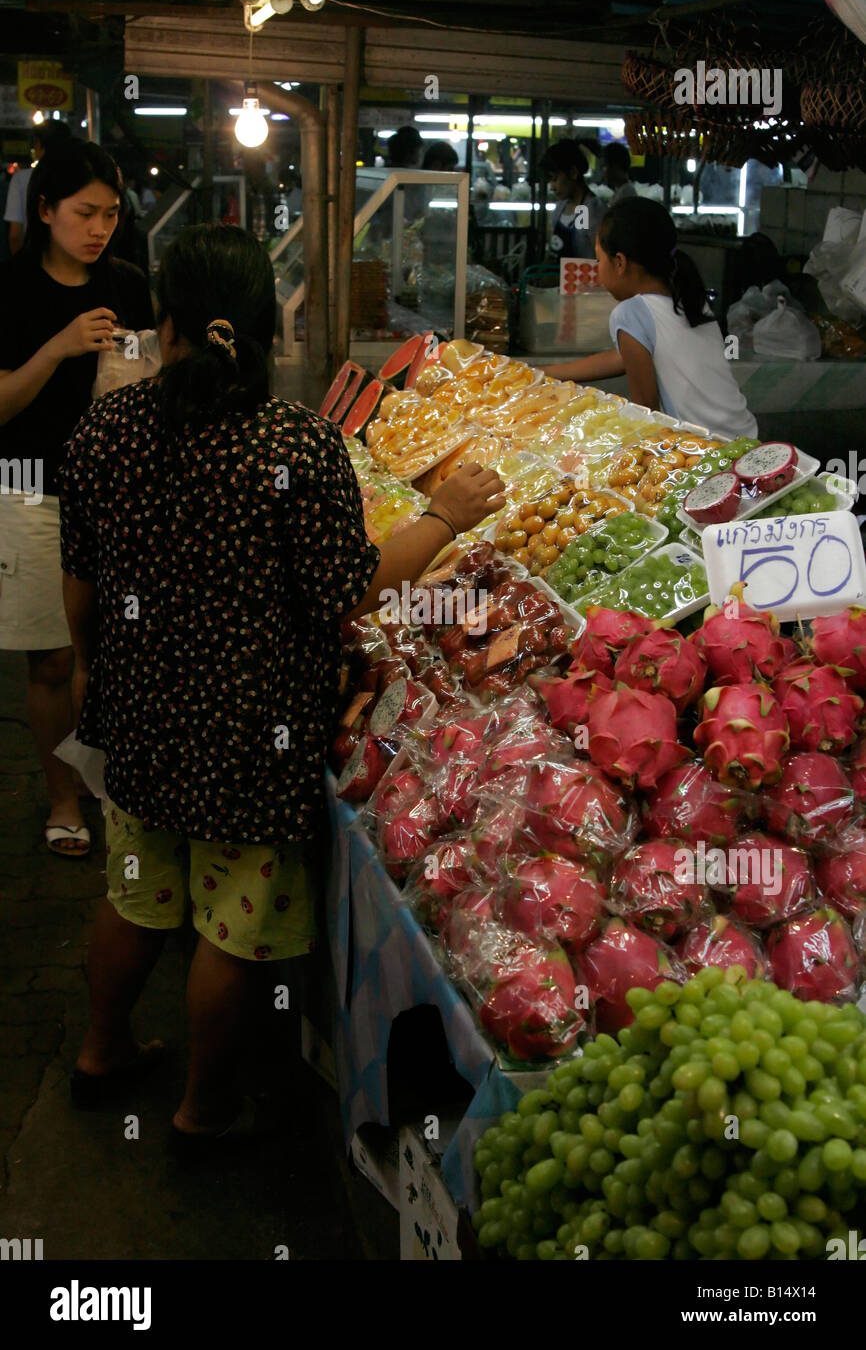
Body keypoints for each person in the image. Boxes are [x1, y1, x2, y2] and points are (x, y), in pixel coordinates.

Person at [57, 223, 505, 1137]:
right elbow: (355, 585)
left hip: (138, 711)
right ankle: (203, 1106)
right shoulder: (294, 444)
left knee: (135, 895)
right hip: (251, 733)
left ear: (166, 325)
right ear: (270, 333)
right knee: (232, 924)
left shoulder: (107, 427)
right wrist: (446, 514)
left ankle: (101, 1051)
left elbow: (81, 582)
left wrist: (90, 669)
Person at [0, 141, 154, 858]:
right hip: (27, 486)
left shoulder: (126, 282)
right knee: (52, 658)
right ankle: (62, 797)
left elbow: (148, 380)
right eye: (84, 213)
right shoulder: (11, 287)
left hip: (112, 491)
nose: (99, 228)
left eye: (111, 214)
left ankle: (104, 776)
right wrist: (59, 346)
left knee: (106, 644)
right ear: (45, 211)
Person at [546, 198, 757, 437]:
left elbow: (647, 416)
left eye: (598, 260)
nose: (596, 269)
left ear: (619, 262)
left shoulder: (630, 313)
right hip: (745, 437)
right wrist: (546, 372)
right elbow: (622, 358)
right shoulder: (689, 299)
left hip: (707, 450)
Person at [5, 121, 73, 255]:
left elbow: (15, 234)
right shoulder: (76, 177)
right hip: (69, 257)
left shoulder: (21, 179)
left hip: (32, 257)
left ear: (39, 144)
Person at [541, 138, 605, 261]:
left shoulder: (589, 210)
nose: (552, 187)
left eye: (555, 179)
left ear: (573, 173)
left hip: (583, 279)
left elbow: (601, 260)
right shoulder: (561, 206)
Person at [601, 142, 638, 206]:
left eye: (605, 165)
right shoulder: (621, 190)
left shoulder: (626, 194)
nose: (603, 170)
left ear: (615, 166)